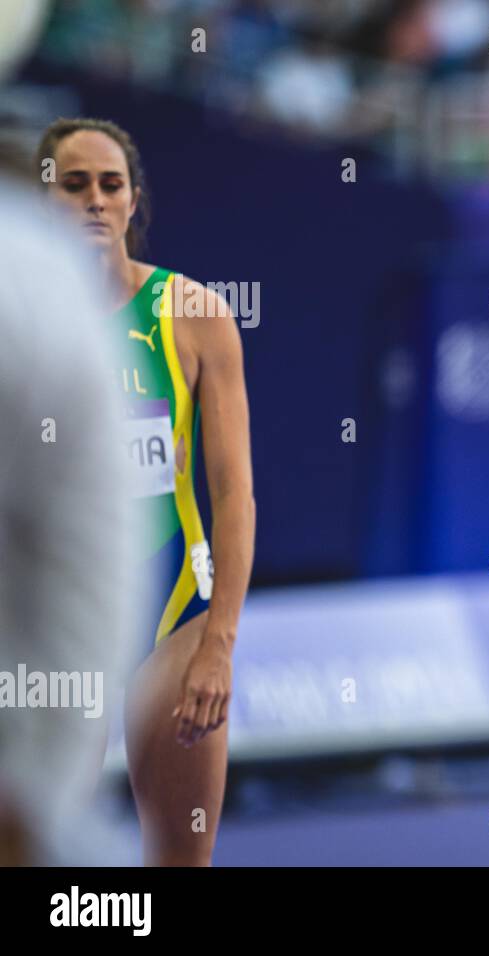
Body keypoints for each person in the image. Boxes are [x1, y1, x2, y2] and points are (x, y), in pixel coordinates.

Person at [36, 117, 256, 866]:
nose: (94, 201)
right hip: (52, 623)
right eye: (73, 186)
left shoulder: (192, 315)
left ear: (134, 202)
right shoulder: (19, 322)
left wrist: (219, 646)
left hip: (175, 621)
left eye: (110, 185)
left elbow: (234, 493)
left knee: (180, 858)